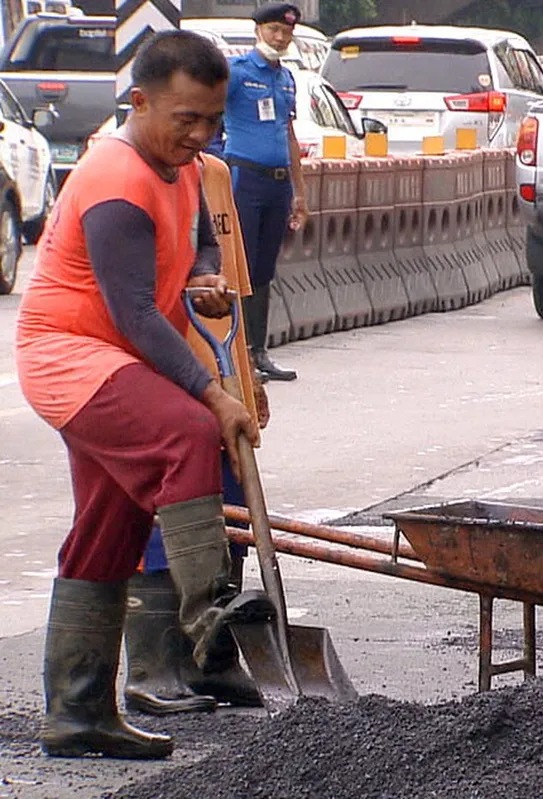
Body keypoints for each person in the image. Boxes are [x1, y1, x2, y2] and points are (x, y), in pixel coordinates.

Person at [15, 30, 269, 760]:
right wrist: (214, 396)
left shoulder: (181, 170)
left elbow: (181, 263)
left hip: (111, 357)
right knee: (188, 433)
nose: (200, 134)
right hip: (70, 355)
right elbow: (132, 311)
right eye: (185, 118)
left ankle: (77, 712)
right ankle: (208, 608)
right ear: (140, 102)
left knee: (112, 525)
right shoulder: (117, 177)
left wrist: (204, 279)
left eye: (213, 120)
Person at [122, 151, 270, 716]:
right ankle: (154, 666)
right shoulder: (122, 171)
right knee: (166, 518)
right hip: (162, 374)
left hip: (219, 370)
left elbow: (229, 286)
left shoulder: (213, 175)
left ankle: (214, 661)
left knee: (231, 517)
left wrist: (248, 375)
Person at [222, 1, 308, 383]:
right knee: (241, 263)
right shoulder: (238, 72)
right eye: (274, 30)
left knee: (263, 270)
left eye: (286, 33)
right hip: (245, 177)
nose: (280, 38)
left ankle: (259, 351)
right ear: (258, 30)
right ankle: (236, 352)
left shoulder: (286, 78)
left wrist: (299, 191)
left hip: (277, 183)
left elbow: (288, 134)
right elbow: (210, 113)